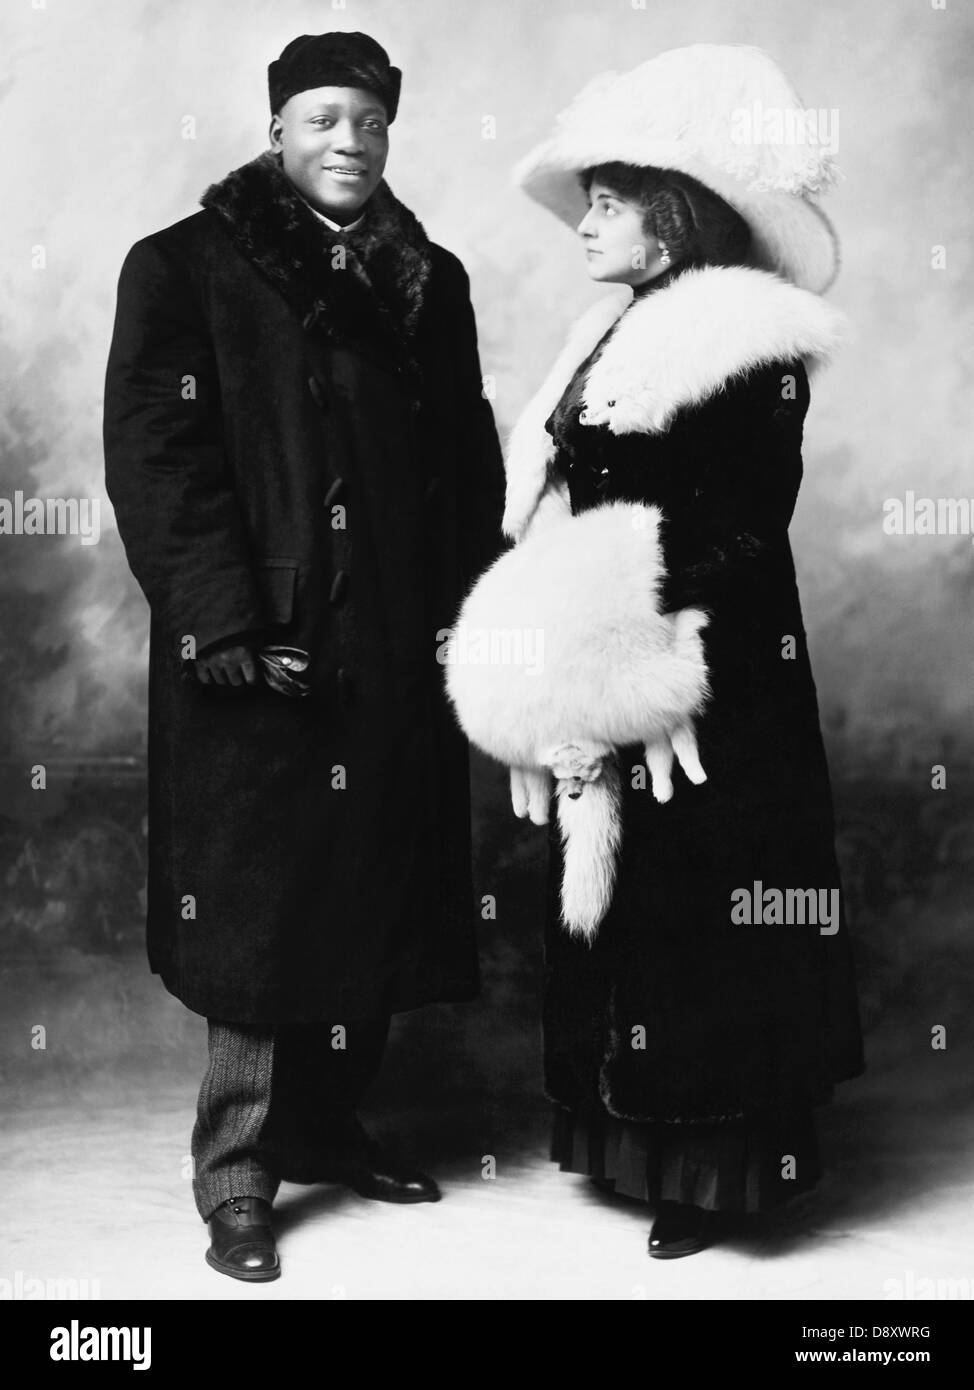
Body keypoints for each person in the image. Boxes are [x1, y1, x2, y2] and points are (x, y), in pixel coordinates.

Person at [103, 31, 504, 1282]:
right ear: (276, 129)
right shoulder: (183, 265)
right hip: (265, 648)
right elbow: (157, 459)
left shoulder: (428, 277)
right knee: (258, 917)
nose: (349, 140)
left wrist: (472, 609)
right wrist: (222, 623)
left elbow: (467, 457)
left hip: (394, 642)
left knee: (371, 889)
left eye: (369, 121)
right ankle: (236, 1176)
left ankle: (329, 1124)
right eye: (323, 118)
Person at [500, 44, 865, 1257]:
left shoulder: (748, 343)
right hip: (601, 645)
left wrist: (637, 630)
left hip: (715, 657)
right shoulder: (601, 334)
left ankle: (715, 1165)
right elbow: (559, 498)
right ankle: (626, 1133)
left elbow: (743, 524)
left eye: (608, 203)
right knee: (623, 896)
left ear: (671, 219)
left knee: (708, 900)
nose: (584, 224)